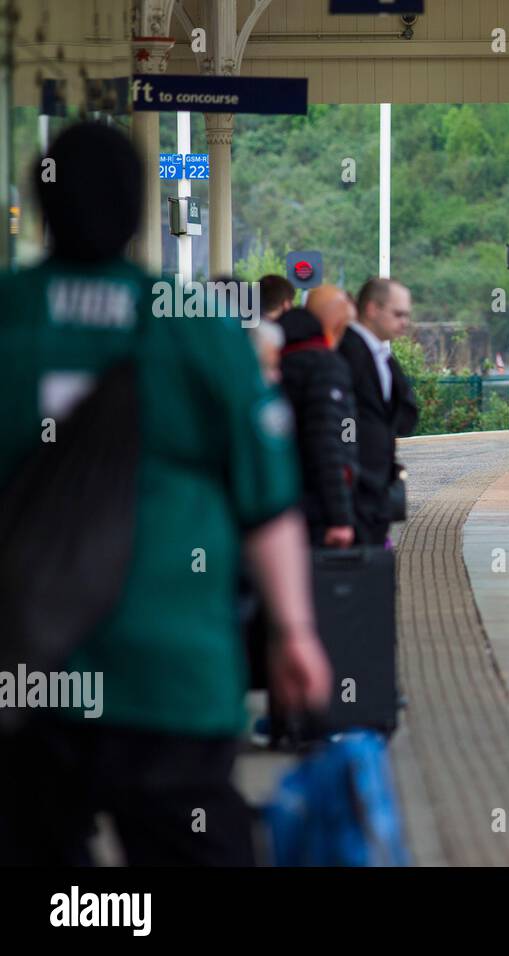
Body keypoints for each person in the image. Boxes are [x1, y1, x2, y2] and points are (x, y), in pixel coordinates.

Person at [0, 122, 331, 866]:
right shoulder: (189, 325)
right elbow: (267, 500)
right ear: (137, 209)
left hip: (28, 668)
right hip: (171, 670)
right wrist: (294, 632)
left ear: (39, 204)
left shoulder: (9, 313)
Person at [338, 278, 419, 546]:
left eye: (407, 315)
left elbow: (405, 415)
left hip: (375, 488)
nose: (404, 322)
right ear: (372, 309)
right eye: (398, 314)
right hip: (356, 487)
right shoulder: (347, 352)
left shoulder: (381, 356)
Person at [277, 285, 360, 548]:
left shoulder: (277, 353)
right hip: (315, 509)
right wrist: (340, 517)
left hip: (279, 500)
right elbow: (327, 442)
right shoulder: (324, 364)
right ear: (336, 323)